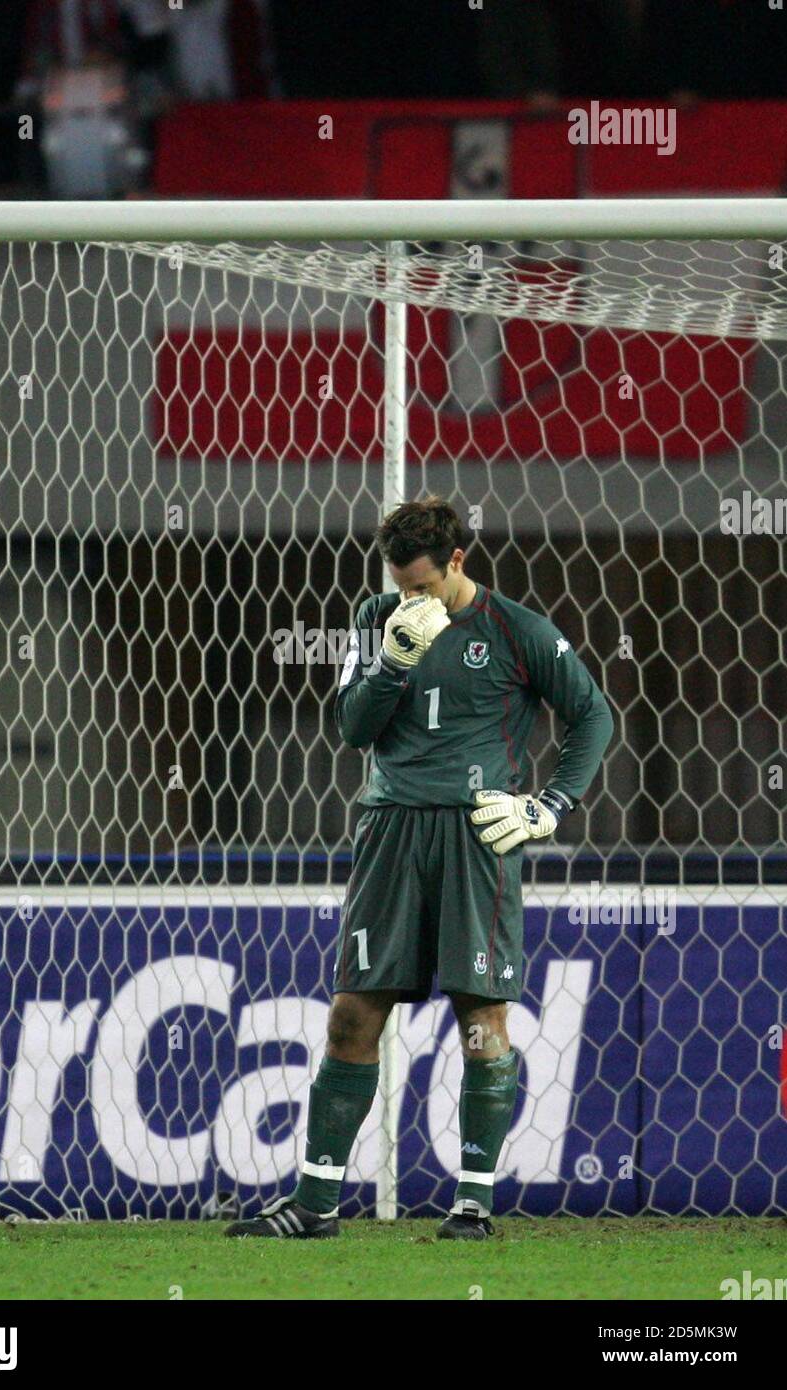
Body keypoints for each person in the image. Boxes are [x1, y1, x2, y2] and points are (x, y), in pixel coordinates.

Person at [227, 496, 614, 1240]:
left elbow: (592, 714)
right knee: (350, 1016)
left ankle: (471, 1204)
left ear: (458, 564)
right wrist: (393, 661)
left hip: (476, 836)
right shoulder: (374, 620)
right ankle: (314, 1206)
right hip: (390, 831)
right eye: (401, 586)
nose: (412, 600)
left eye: (424, 588)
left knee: (480, 1020)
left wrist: (547, 806)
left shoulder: (516, 630)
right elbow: (351, 728)